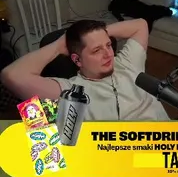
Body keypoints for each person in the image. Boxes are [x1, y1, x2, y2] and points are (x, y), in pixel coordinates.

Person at [0, 18, 168, 121]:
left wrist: (99, 34)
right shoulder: (72, 92)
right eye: (96, 50)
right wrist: (58, 46)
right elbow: (11, 75)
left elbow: (141, 24)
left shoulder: (127, 62)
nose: (108, 54)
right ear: (77, 60)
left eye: (108, 45)